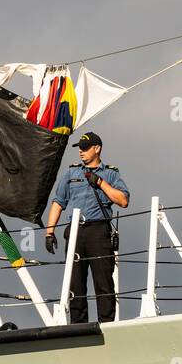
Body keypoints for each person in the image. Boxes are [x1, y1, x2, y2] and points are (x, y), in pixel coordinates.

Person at [44, 131, 129, 323]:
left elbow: (123, 201)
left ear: (97, 149)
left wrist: (100, 183)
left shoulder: (111, 173)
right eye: (79, 148)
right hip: (75, 231)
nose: (81, 152)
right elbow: (58, 202)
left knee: (103, 281)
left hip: (99, 231)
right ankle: (78, 326)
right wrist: (50, 232)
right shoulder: (71, 172)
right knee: (75, 283)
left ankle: (107, 325)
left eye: (85, 148)